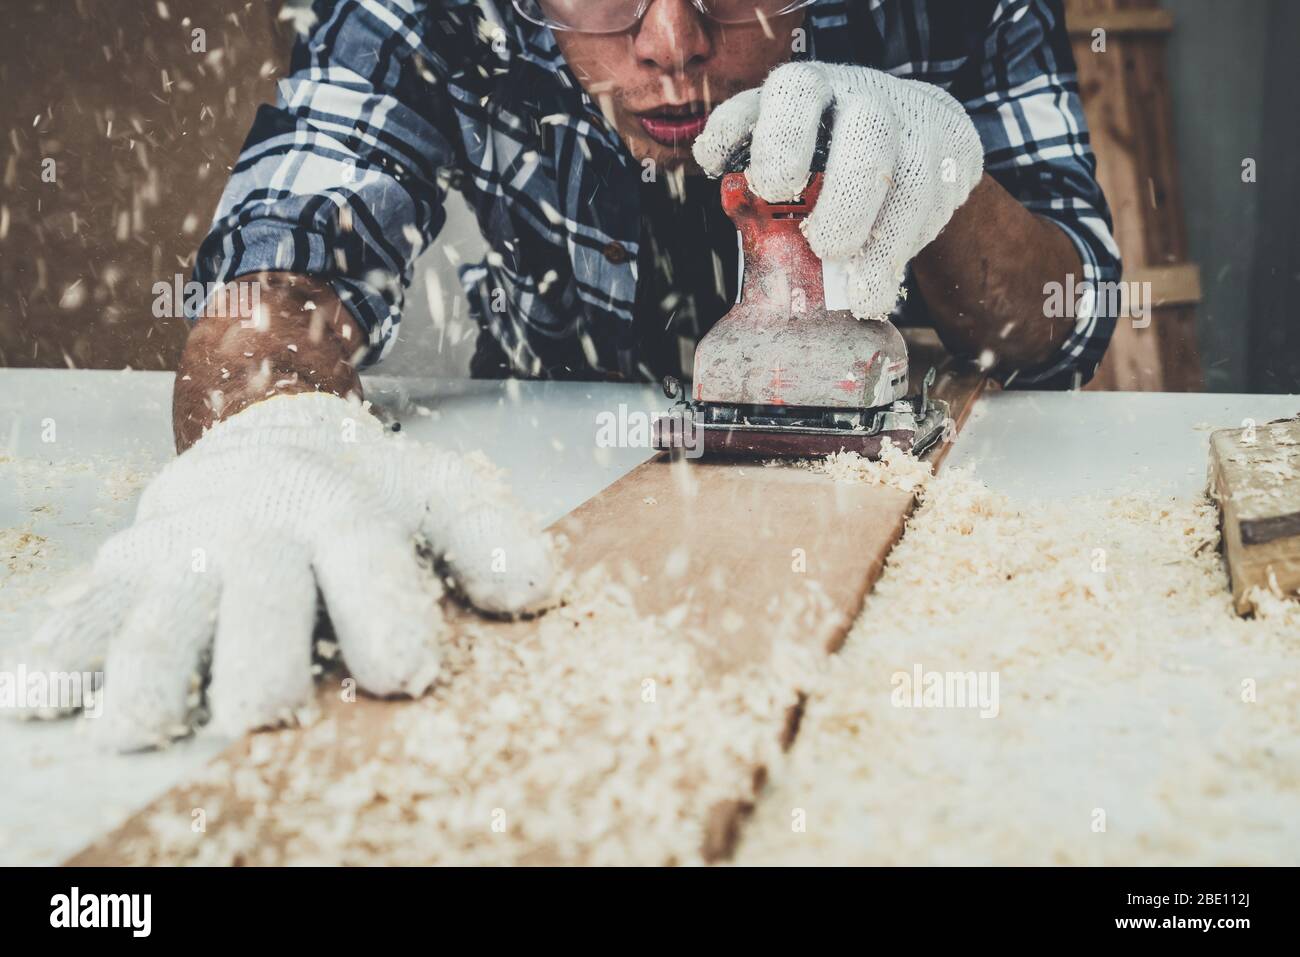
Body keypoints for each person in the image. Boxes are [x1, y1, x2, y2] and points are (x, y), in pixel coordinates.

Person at [16, 0, 1119, 748]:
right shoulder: (432, 13)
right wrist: (268, 437)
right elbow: (287, 257)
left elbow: (1071, 317)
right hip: (556, 507)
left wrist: (948, 191)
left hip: (911, 564)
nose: (674, 44)